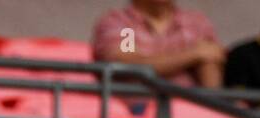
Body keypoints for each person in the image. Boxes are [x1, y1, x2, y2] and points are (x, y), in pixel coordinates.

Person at [92, 0, 225, 87]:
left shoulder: (195, 23)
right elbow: (129, 64)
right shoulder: (125, 23)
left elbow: (210, 62)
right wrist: (193, 55)